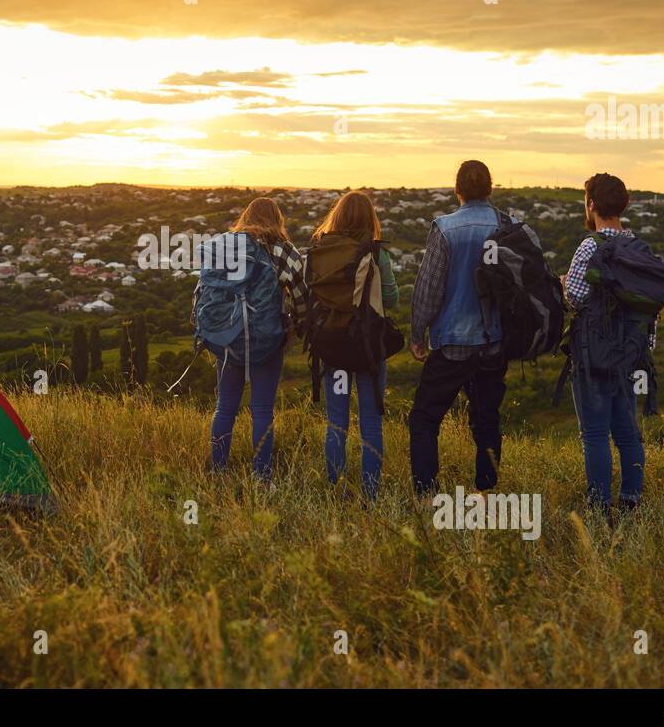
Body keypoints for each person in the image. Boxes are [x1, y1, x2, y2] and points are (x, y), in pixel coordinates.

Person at [408, 160, 507, 494]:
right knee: (487, 420)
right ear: (490, 188)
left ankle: (426, 494)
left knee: (424, 419)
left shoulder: (445, 228)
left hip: (452, 343)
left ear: (458, 189)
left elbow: (429, 288)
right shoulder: (509, 226)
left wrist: (417, 333)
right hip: (494, 342)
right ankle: (486, 491)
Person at [562, 173, 653, 513]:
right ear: (623, 205)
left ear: (592, 205)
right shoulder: (637, 247)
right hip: (629, 353)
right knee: (628, 432)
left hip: (593, 354)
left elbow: (575, 296)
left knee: (596, 434)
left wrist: (562, 285)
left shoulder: (591, 246)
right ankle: (632, 500)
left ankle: (600, 505)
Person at [198, 197, 307, 481]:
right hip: (267, 339)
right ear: (277, 219)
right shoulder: (284, 251)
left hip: (227, 338)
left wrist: (209, 331)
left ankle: (218, 472)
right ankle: (262, 476)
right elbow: (300, 297)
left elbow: (202, 292)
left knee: (225, 406)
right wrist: (297, 327)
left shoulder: (224, 246)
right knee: (261, 409)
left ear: (245, 216)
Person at [310, 191, 399, 501]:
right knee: (371, 421)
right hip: (367, 348)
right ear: (369, 219)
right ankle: (370, 494)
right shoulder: (375, 253)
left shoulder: (321, 249)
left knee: (336, 421)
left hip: (333, 345)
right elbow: (391, 299)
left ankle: (336, 490)